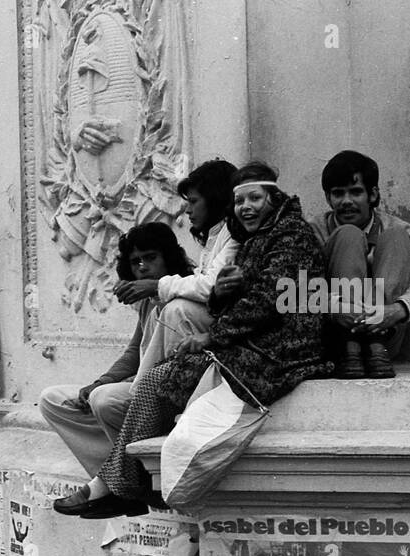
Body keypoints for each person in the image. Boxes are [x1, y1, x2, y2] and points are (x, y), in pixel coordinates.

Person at [87, 163, 330, 518]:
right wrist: (221, 297)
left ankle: (121, 486)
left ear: (274, 198)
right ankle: (122, 485)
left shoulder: (290, 237)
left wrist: (210, 337)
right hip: (256, 342)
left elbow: (265, 302)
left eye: (255, 198)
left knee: (160, 382)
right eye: (240, 200)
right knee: (158, 379)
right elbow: (235, 300)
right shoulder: (259, 237)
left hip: (284, 350)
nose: (246, 207)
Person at [41, 222, 194, 516]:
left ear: (169, 258)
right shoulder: (148, 301)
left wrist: (104, 389)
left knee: (106, 400)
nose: (143, 268)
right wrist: (98, 382)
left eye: (151, 258)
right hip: (137, 392)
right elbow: (132, 354)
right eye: (136, 262)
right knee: (53, 400)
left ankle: (115, 485)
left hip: (159, 399)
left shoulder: (182, 298)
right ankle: (121, 484)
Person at [310, 150, 410, 380]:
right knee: (347, 235)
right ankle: (351, 346)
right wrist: (336, 309)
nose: (346, 201)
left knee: (395, 237)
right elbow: (299, 290)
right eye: (338, 194)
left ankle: (374, 346)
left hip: (382, 344)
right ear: (328, 198)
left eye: (355, 192)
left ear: (373, 194)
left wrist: (395, 311)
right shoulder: (313, 230)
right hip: (337, 342)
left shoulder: (400, 229)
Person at [114, 159, 240, 377]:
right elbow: (134, 351)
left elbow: (211, 286)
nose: (187, 210)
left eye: (193, 201)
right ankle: (145, 393)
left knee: (176, 310)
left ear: (215, 200)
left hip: (230, 332)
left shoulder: (233, 233)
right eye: (136, 262)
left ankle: (148, 395)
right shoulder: (214, 237)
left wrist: (157, 286)